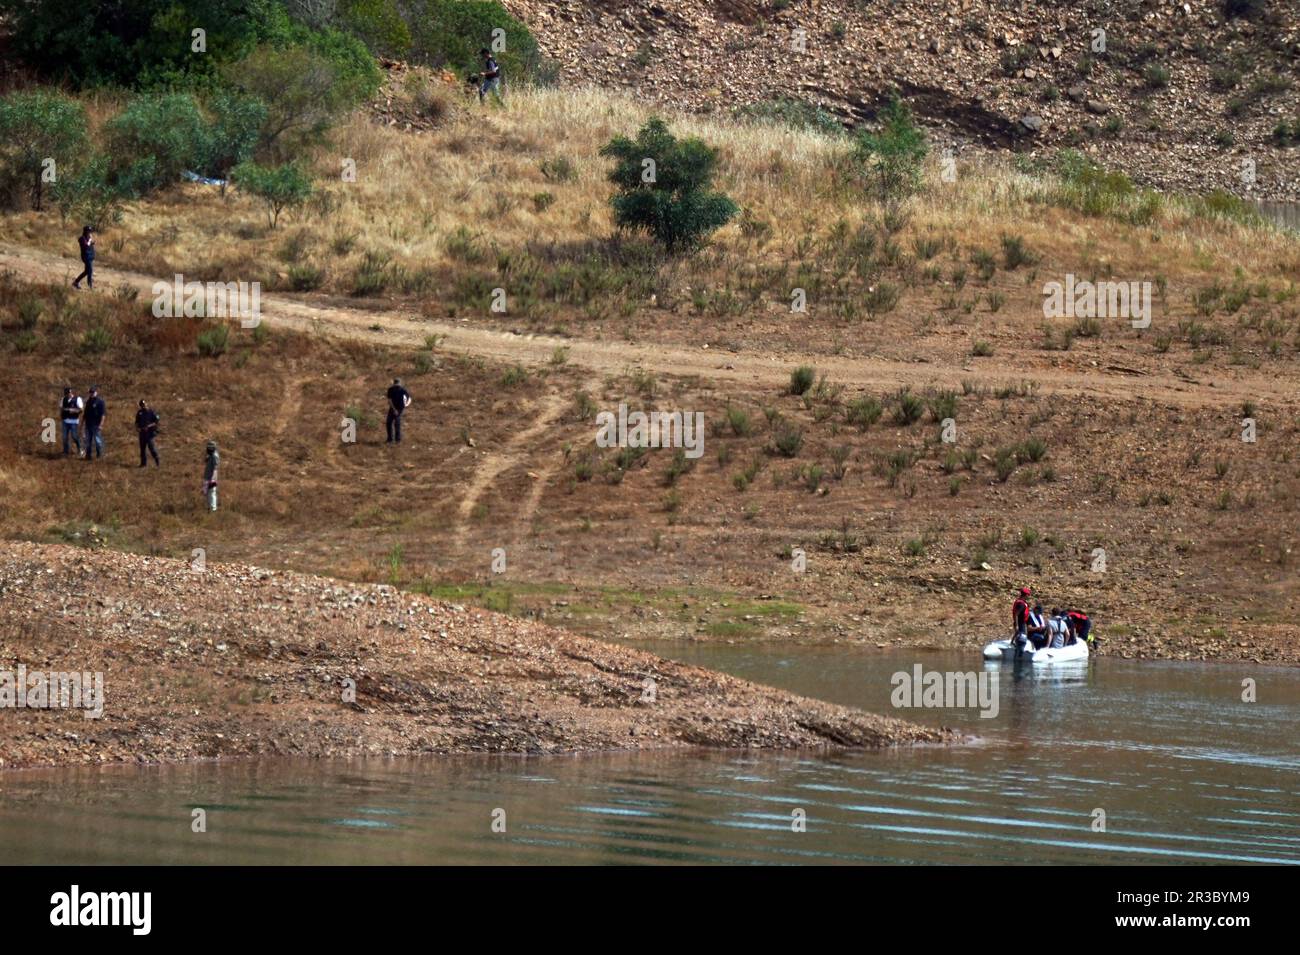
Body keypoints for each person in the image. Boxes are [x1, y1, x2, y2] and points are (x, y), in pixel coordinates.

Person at [82, 386, 106, 460]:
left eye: (93, 392)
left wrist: (101, 424)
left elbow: (103, 414)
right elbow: (85, 414)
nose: (91, 394)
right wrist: (82, 424)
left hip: (96, 425)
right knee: (88, 441)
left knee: (98, 441)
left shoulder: (100, 402)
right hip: (88, 424)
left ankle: (99, 454)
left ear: (96, 392)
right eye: (90, 392)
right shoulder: (88, 401)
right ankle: (88, 455)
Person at [135, 399, 160, 468]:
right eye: (142, 405)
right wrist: (137, 428)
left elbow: (156, 421)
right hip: (142, 433)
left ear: (146, 404)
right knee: (142, 449)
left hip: (149, 433)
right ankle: (143, 464)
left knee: (151, 448)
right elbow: (136, 422)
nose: (143, 406)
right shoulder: (140, 413)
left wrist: (149, 426)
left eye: (144, 404)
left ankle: (157, 460)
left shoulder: (151, 412)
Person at [385, 377, 411, 445]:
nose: (397, 385)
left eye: (397, 384)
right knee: (388, 423)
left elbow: (408, 399)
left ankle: (398, 440)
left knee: (397, 423)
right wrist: (394, 409)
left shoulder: (403, 391)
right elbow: (389, 400)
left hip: (400, 408)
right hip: (392, 408)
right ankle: (390, 439)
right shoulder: (390, 390)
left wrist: (403, 407)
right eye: (396, 384)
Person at [59, 387, 83, 456]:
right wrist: (62, 416)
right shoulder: (63, 399)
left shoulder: (77, 399)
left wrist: (73, 410)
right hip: (65, 421)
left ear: (70, 393)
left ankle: (80, 449)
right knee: (64, 437)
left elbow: (81, 409)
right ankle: (65, 451)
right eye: (65, 394)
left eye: (68, 393)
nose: (66, 395)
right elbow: (61, 408)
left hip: (74, 421)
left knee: (74, 436)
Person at [203, 440, 220, 512]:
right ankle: (209, 507)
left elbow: (215, 467)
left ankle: (213, 509)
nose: (207, 449)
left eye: (209, 448)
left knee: (212, 492)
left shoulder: (214, 456)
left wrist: (212, 479)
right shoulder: (211, 455)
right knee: (206, 492)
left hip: (211, 477)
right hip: (207, 477)